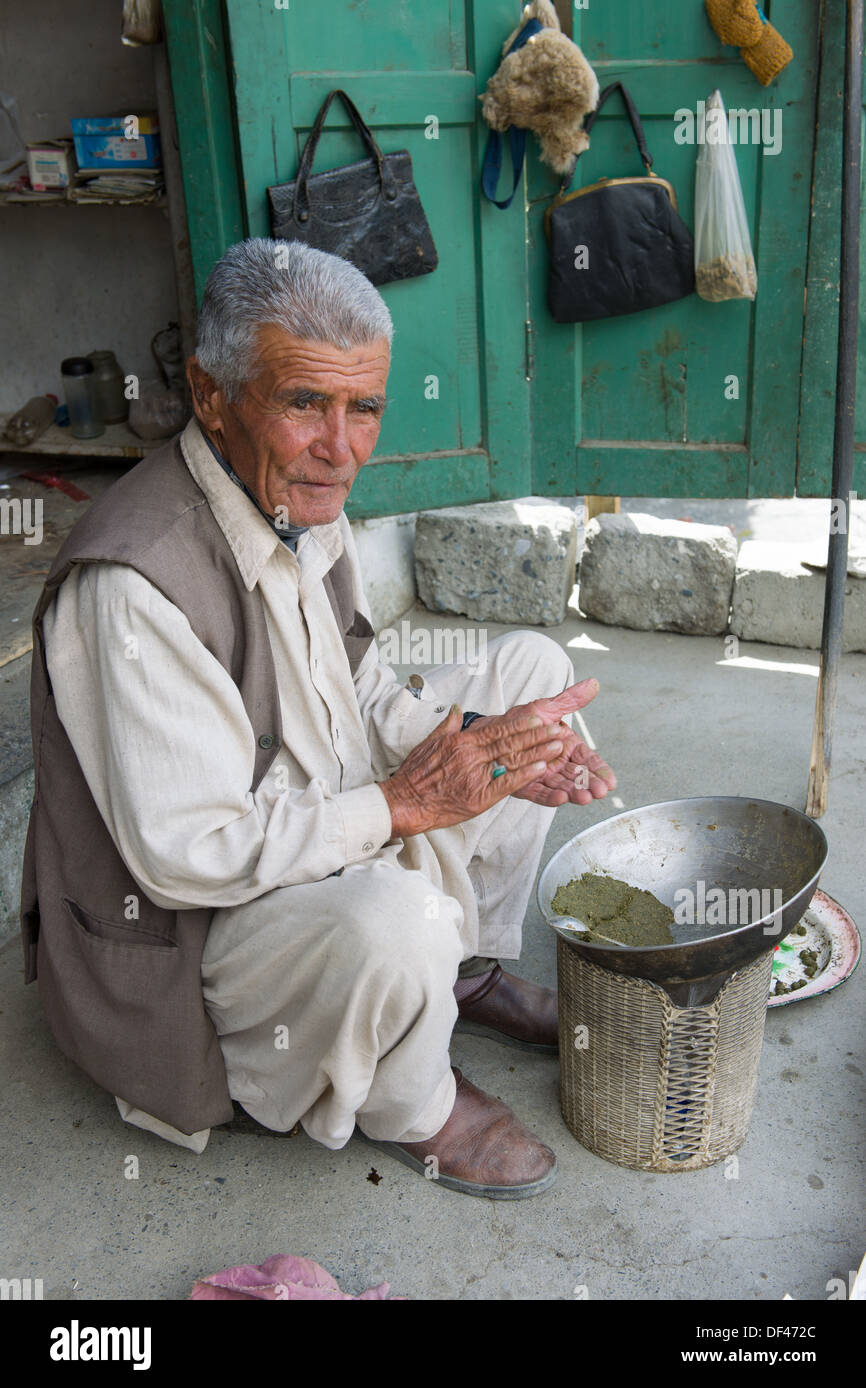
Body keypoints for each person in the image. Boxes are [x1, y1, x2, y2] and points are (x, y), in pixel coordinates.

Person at [21, 238, 615, 1200]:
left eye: (363, 408)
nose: (340, 447)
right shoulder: (134, 585)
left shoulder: (302, 494)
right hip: (203, 933)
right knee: (399, 916)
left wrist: (474, 752)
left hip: (325, 821)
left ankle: (459, 974)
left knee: (531, 681)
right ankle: (412, 1098)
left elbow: (361, 676)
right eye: (304, 403)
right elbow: (186, 856)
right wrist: (402, 806)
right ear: (214, 396)